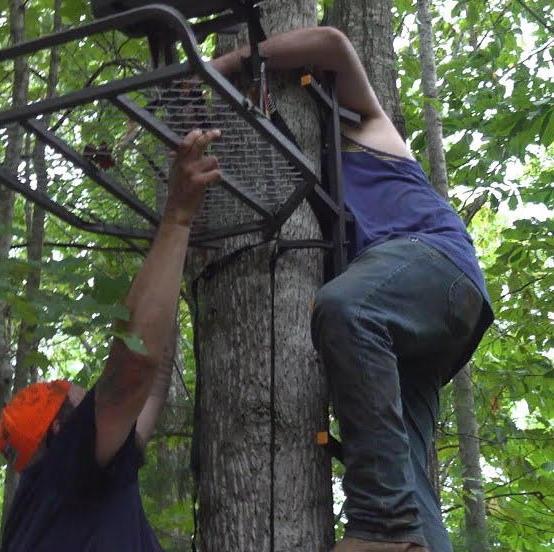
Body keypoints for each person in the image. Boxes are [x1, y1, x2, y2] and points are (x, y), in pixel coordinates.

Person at [209, 27, 494, 552]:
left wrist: (232, 63)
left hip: (435, 265)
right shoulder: (323, 196)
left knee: (345, 307)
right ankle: (407, 534)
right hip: (414, 324)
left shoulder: (369, 129)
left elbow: (335, 44)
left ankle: (382, 527)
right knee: (405, 466)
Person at [0, 127, 222, 552]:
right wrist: (177, 217)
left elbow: (149, 386)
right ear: (63, 428)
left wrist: (167, 255)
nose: (84, 388)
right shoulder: (70, 468)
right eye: (72, 392)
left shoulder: (40, 507)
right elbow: (131, 371)